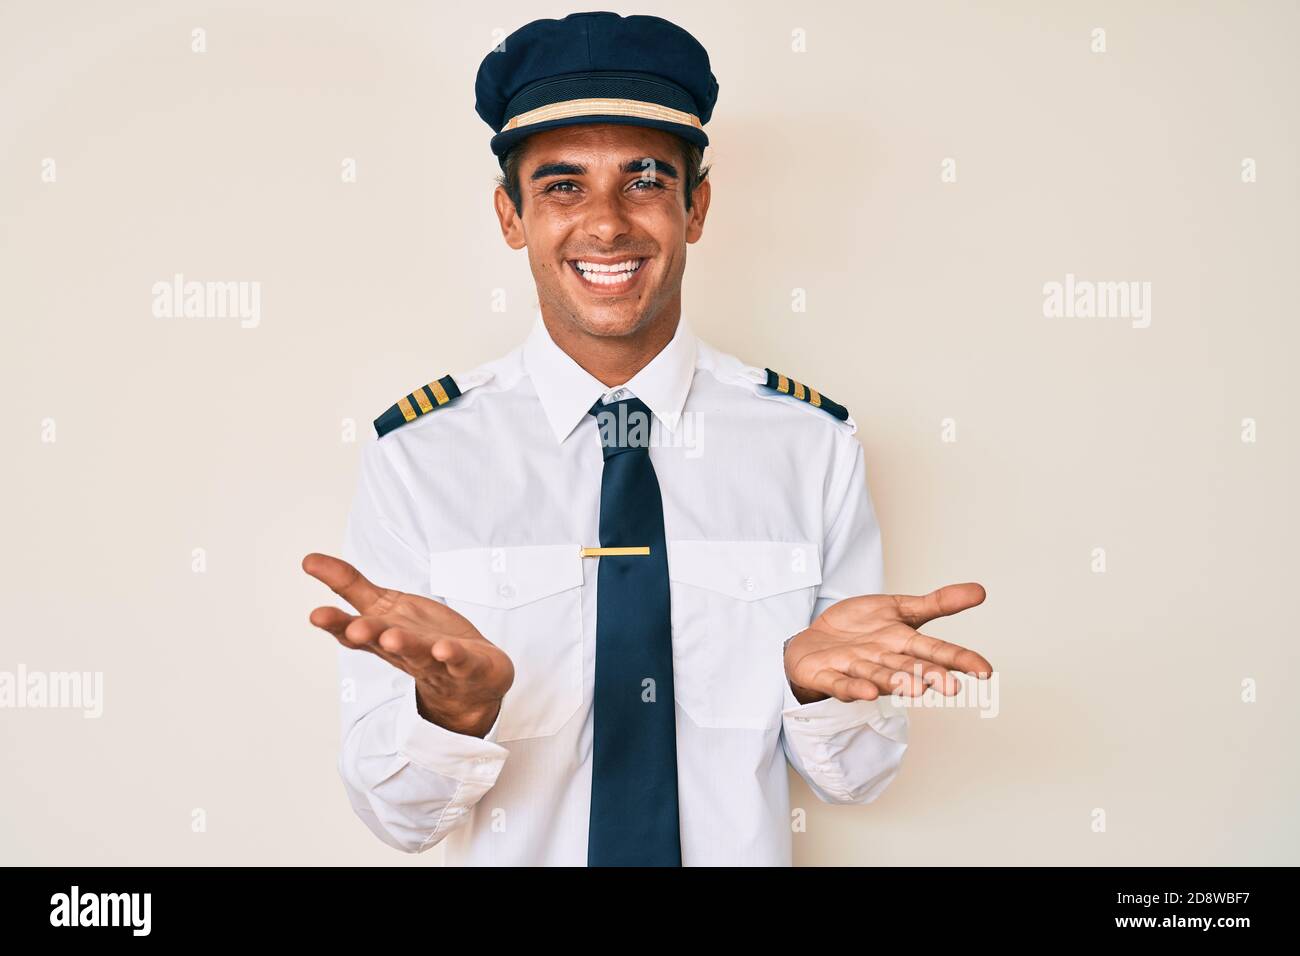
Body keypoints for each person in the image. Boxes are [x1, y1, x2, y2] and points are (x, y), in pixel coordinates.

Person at [302, 11, 993, 866]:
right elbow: (398, 819)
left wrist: (815, 693)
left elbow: (861, 777)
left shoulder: (810, 444)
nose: (606, 225)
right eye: (561, 186)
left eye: (644, 182)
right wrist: (452, 714)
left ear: (694, 207)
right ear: (510, 216)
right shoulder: (420, 457)